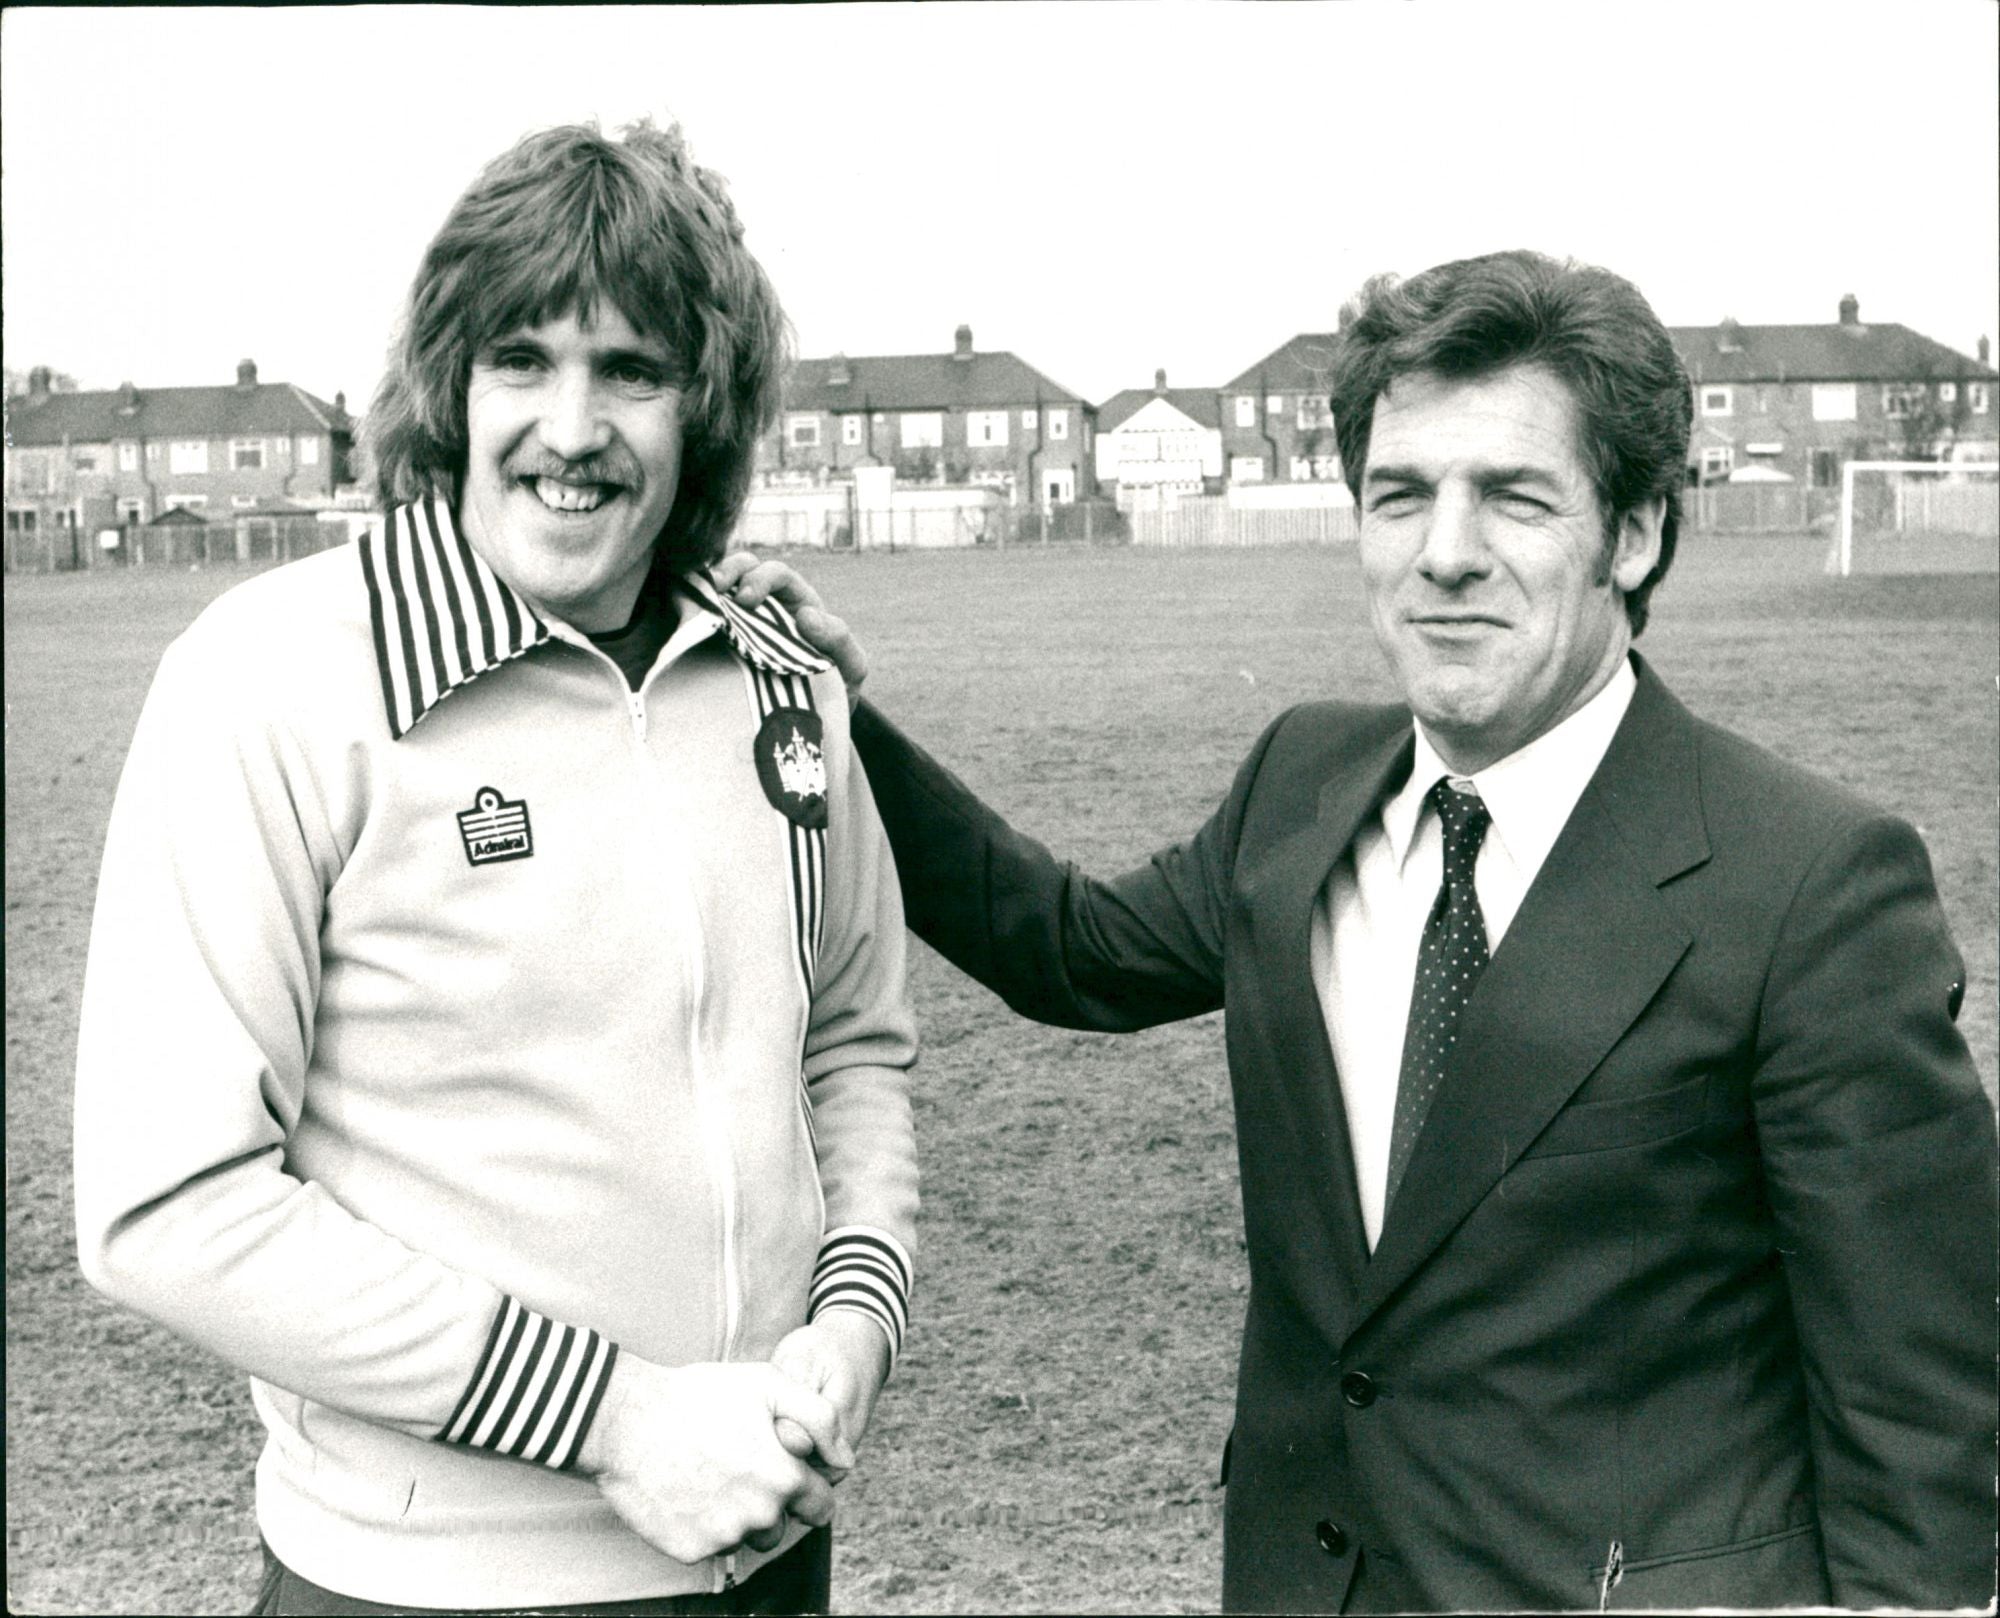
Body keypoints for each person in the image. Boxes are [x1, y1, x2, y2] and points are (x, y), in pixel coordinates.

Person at [720, 250, 1996, 1612]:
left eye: (1512, 496)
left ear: (1632, 533)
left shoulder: (1812, 881)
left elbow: (1922, 1416)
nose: (1445, 552)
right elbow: (1071, 946)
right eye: (1400, 497)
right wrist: (841, 727)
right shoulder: (1302, 783)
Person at [73, 120, 918, 1616]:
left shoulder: (784, 679)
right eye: (522, 360)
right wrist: (616, 1421)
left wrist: (852, 1327)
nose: (573, 426)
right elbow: (165, 1206)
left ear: (703, 410)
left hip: (774, 1549)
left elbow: (853, 1047)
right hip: (424, 1584)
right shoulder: (270, 680)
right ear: (450, 389)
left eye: (633, 371)